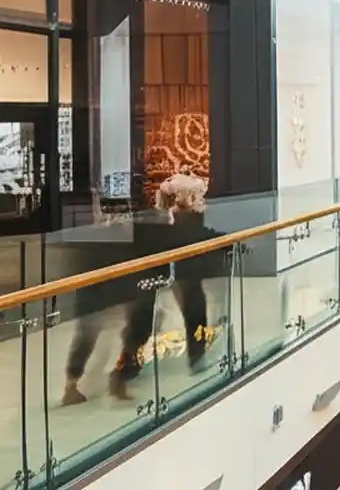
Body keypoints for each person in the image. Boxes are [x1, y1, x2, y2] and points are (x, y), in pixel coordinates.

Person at [63, 172, 221, 404]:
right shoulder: (158, 223)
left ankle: (119, 376)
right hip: (111, 282)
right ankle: (75, 383)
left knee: (139, 324)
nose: (200, 202)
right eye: (195, 196)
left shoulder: (168, 222)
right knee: (93, 330)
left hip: (134, 285)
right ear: (181, 199)